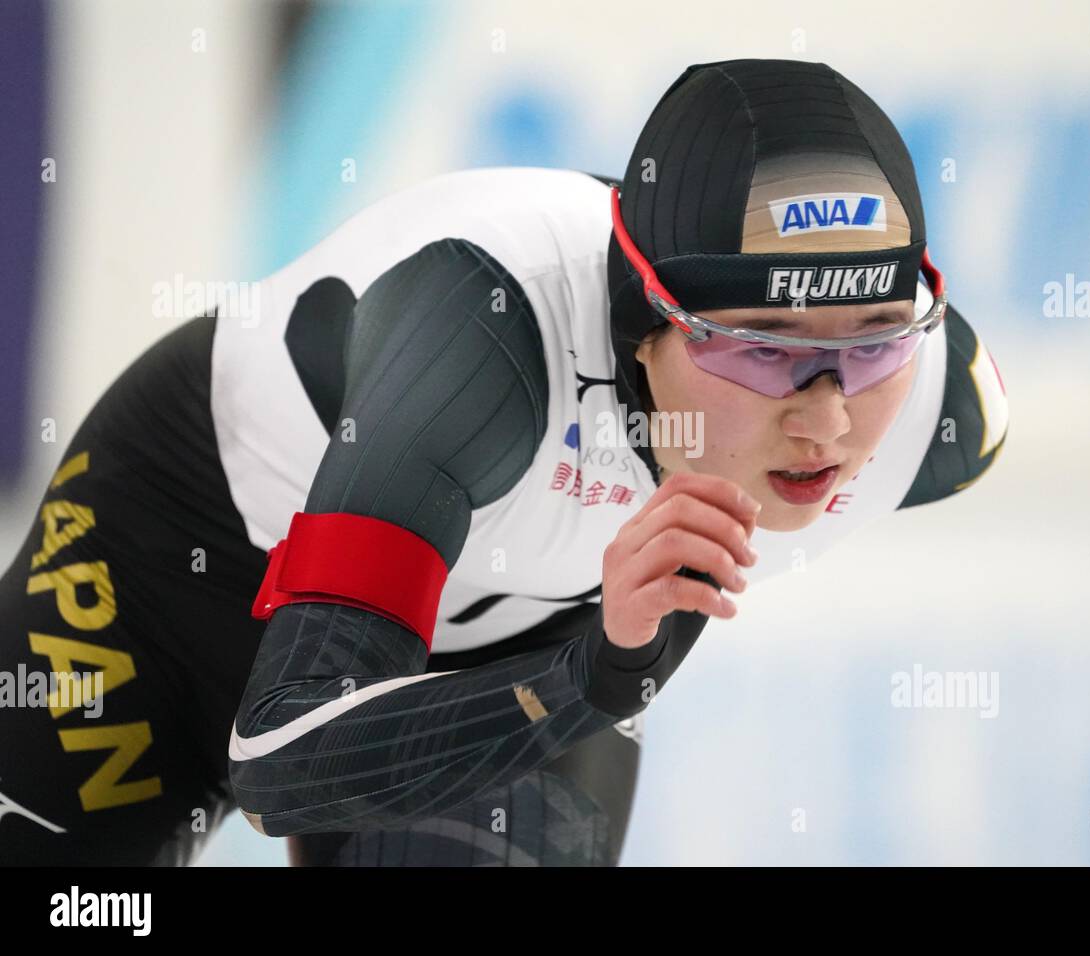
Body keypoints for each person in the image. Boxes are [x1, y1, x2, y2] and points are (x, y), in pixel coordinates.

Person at [0, 58, 1007, 866]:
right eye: (763, 348)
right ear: (643, 314)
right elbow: (279, 754)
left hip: (519, 645)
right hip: (179, 568)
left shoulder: (936, 409)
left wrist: (594, 667)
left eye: (875, 340)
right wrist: (592, 671)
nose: (826, 422)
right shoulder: (481, 343)